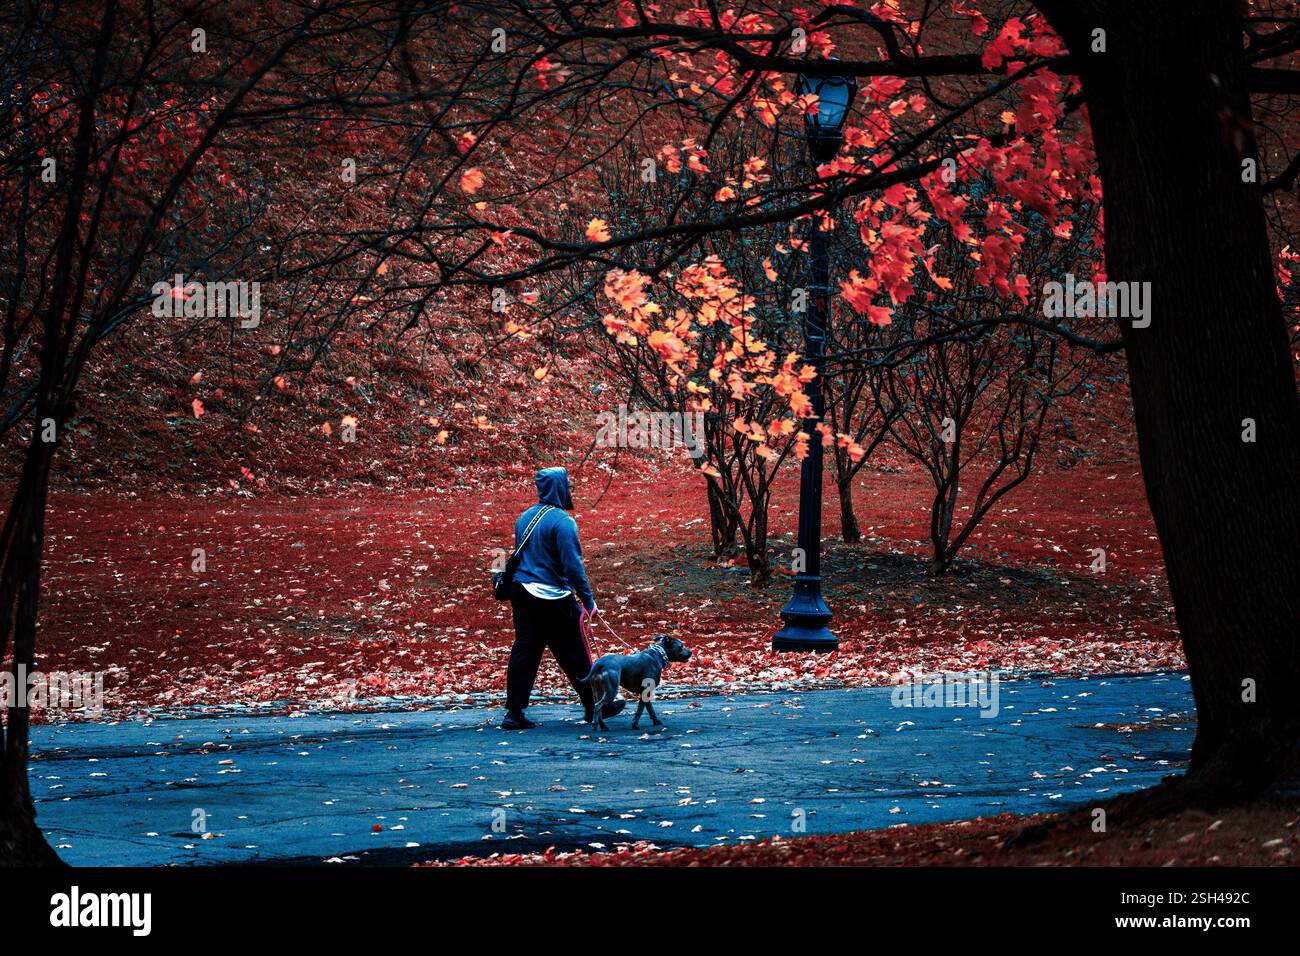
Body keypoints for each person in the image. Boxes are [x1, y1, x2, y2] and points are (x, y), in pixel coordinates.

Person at [501, 466, 625, 730]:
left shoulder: (524, 518)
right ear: (559, 488)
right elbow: (573, 566)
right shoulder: (563, 522)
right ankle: (595, 706)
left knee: (525, 651)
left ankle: (514, 712)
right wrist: (589, 601)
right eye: (568, 486)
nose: (570, 491)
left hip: (523, 594)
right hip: (554, 596)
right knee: (575, 652)